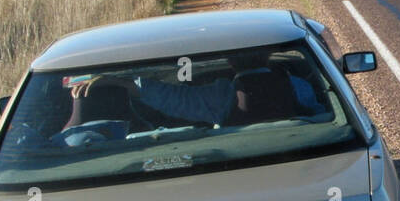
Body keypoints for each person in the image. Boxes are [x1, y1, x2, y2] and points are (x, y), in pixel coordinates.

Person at [65, 52, 327, 129]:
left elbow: (172, 100)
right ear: (269, 54)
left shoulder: (220, 97)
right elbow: (320, 120)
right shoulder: (299, 85)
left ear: (229, 60)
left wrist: (119, 83)